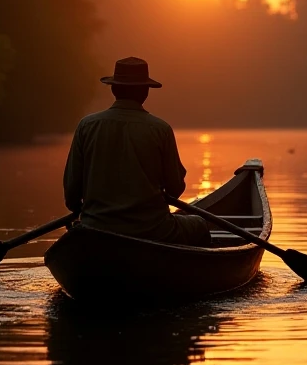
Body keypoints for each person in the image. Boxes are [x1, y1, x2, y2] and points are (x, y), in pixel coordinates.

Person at [63, 57, 211, 246]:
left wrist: (90, 213)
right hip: (152, 230)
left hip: (95, 228)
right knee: (199, 224)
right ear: (145, 92)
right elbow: (175, 189)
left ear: (114, 89)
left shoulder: (86, 126)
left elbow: (72, 195)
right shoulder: (160, 129)